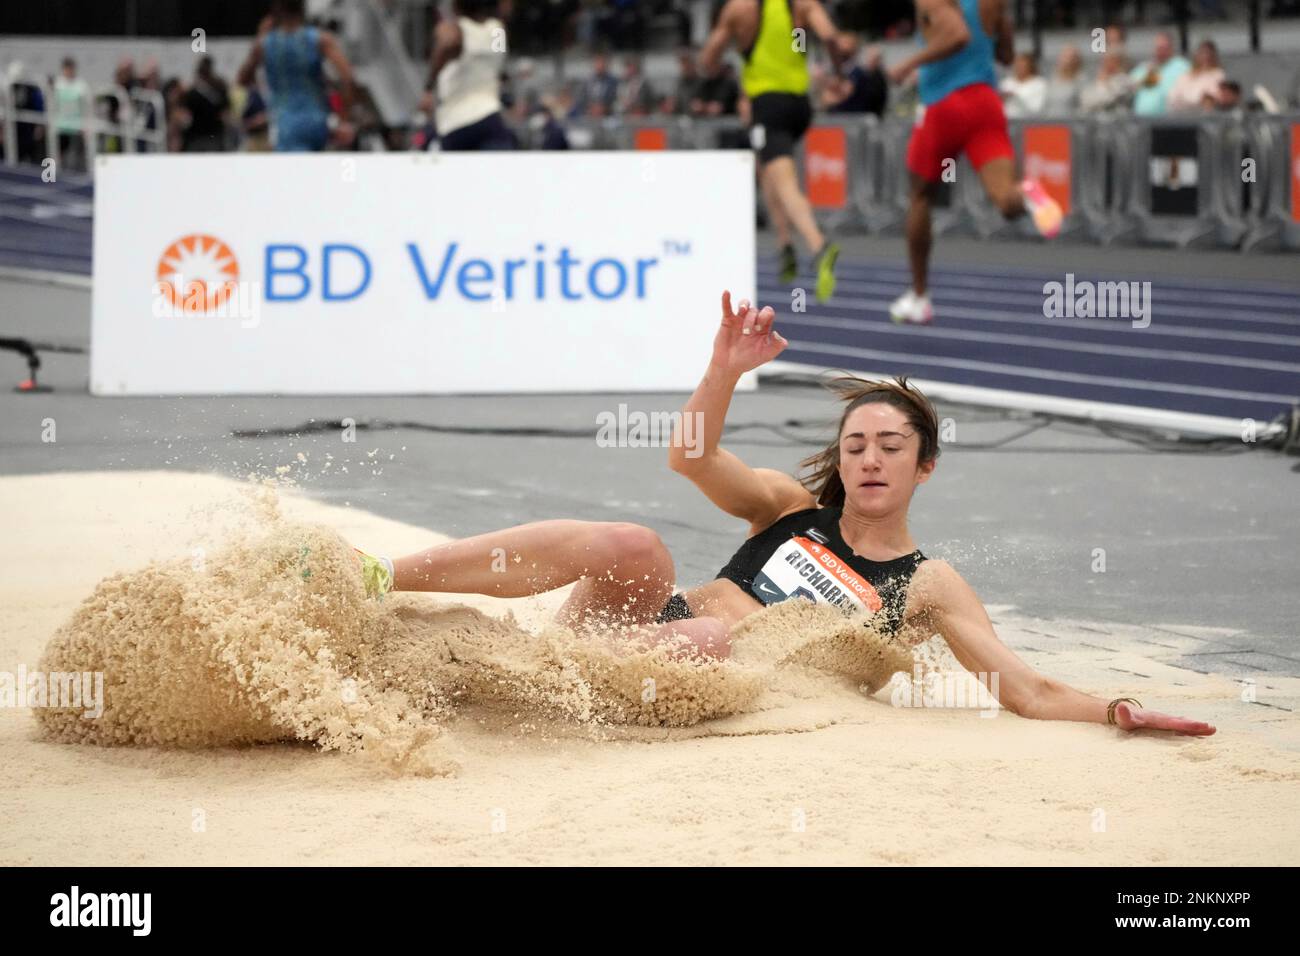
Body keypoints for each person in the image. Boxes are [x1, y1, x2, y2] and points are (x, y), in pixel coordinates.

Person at [352, 291, 1217, 739]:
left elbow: (1025, 689)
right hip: (626, 641)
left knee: (710, 642)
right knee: (637, 543)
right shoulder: (794, 510)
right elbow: (689, 456)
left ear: (926, 465)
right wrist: (724, 370)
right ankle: (378, 576)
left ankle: (508, 692)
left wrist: (1118, 710)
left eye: (889, 446)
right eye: (855, 445)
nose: (869, 459)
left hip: (710, 681)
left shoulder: (929, 585)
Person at [886, 0, 1061, 327]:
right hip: (985, 103)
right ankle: (1026, 193)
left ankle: (920, 297)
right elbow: (1007, 56)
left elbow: (958, 35)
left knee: (920, 196)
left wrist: (908, 63)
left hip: (943, 105)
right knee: (1005, 200)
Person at [700, 0, 858, 301]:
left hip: (767, 106)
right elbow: (830, 38)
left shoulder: (739, 9)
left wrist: (738, 62)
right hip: (800, 105)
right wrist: (838, 75)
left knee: (784, 182)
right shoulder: (802, 4)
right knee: (768, 168)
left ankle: (818, 246)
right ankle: (784, 244)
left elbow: (708, 59)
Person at [236, 0, 356, 152]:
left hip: (285, 121)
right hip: (317, 120)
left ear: (276, 9)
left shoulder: (265, 44)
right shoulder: (320, 39)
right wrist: (343, 119)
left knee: (292, 172)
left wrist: (260, 39)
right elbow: (347, 77)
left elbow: (242, 79)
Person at [421, 0, 516, 150]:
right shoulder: (498, 30)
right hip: (489, 115)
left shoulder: (458, 30)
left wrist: (428, 89)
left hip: (456, 120)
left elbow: (446, 45)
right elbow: (499, 64)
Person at [1128, 31, 1189, 117]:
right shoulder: (1145, 68)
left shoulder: (1181, 65)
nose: (1160, 51)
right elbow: (1130, 85)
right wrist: (1146, 77)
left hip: (1170, 120)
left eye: (1163, 48)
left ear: (1171, 48)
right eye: (1158, 48)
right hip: (1142, 120)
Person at [181, 55, 230, 151]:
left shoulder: (194, 91)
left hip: (199, 136)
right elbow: (225, 113)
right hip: (212, 135)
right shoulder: (219, 87)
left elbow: (186, 115)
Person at [1166, 39, 1224, 113]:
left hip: (1203, 118)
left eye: (1208, 53)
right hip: (1181, 117)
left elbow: (1209, 99)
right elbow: (1172, 98)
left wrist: (1187, 100)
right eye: (1202, 53)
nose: (1205, 56)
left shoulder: (1218, 75)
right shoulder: (1185, 76)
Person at [53, 57, 89, 172]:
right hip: (61, 126)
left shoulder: (81, 85)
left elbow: (86, 107)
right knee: (59, 153)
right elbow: (53, 105)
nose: (69, 71)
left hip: (77, 126)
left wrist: (85, 125)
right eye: (66, 68)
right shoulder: (58, 84)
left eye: (71, 68)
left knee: (77, 155)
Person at [999, 51, 1046, 117]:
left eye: (1022, 64)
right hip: (1007, 121)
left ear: (1030, 66)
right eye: (1017, 63)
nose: (1019, 67)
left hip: (1028, 123)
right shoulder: (1006, 82)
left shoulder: (1039, 84)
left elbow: (1036, 110)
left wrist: (1015, 97)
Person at [1042, 45, 1083, 114]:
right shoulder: (1050, 80)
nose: (1067, 61)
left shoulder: (1082, 81)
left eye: (1071, 57)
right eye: (1064, 56)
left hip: (1071, 122)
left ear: (1077, 60)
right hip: (1050, 122)